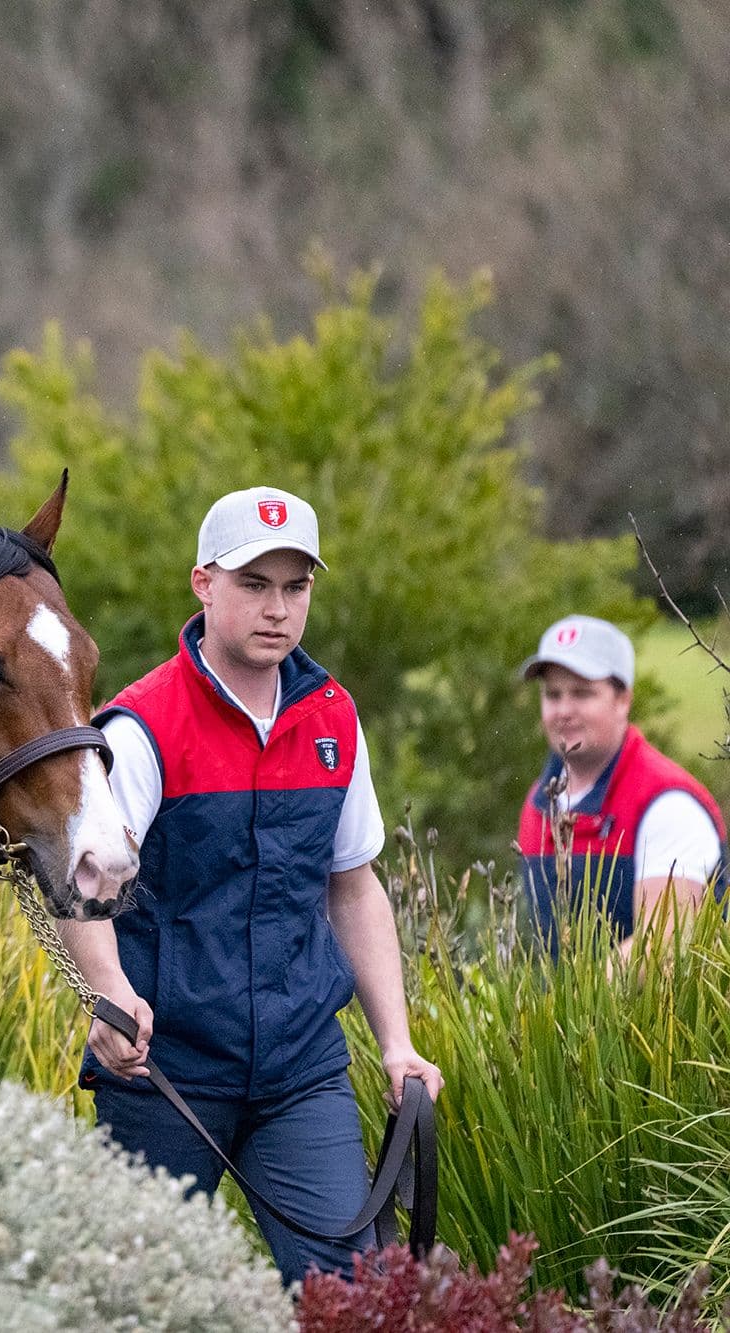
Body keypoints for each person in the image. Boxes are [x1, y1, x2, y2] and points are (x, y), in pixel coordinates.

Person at [58, 485, 443, 1284]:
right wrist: (109, 993)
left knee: (353, 1300)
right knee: (132, 1296)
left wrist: (396, 1043)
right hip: (165, 1072)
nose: (278, 608)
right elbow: (84, 886)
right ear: (203, 584)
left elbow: (353, 888)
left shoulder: (334, 717)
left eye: (295, 587)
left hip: (301, 1071)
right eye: (255, 584)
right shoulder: (140, 727)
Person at [515, 614, 725, 956]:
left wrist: (572, 993)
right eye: (553, 694)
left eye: (582, 693)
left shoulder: (668, 804)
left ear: (623, 700)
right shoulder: (538, 804)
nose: (564, 710)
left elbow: (665, 948)